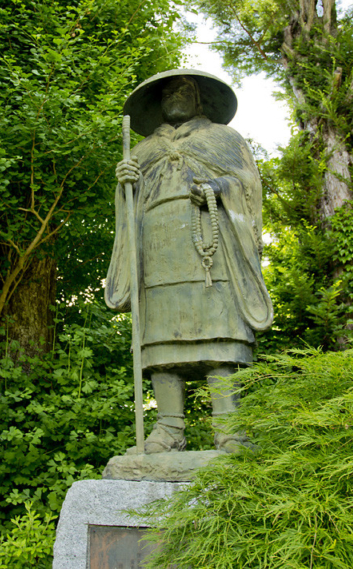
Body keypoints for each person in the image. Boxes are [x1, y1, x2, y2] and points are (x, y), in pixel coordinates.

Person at [105, 69, 273, 454]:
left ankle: (230, 429)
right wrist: (126, 183)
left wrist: (218, 188)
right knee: (161, 341)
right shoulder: (143, 150)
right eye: (165, 93)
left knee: (219, 336)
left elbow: (247, 184)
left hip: (210, 253)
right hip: (158, 252)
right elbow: (130, 203)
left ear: (199, 98)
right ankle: (168, 429)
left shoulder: (224, 139)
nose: (172, 97)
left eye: (181, 90)